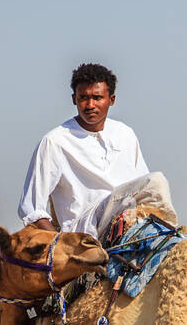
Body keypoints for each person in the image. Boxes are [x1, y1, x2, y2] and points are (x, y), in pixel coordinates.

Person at [18, 62, 174, 241]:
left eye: (97, 98)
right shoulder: (55, 141)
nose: (90, 104)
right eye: (83, 97)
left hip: (128, 220)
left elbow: (142, 185)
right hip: (85, 227)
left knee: (153, 191)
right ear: (74, 99)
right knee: (157, 181)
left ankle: (167, 239)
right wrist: (64, 244)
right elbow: (30, 208)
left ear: (111, 100)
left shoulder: (125, 133)